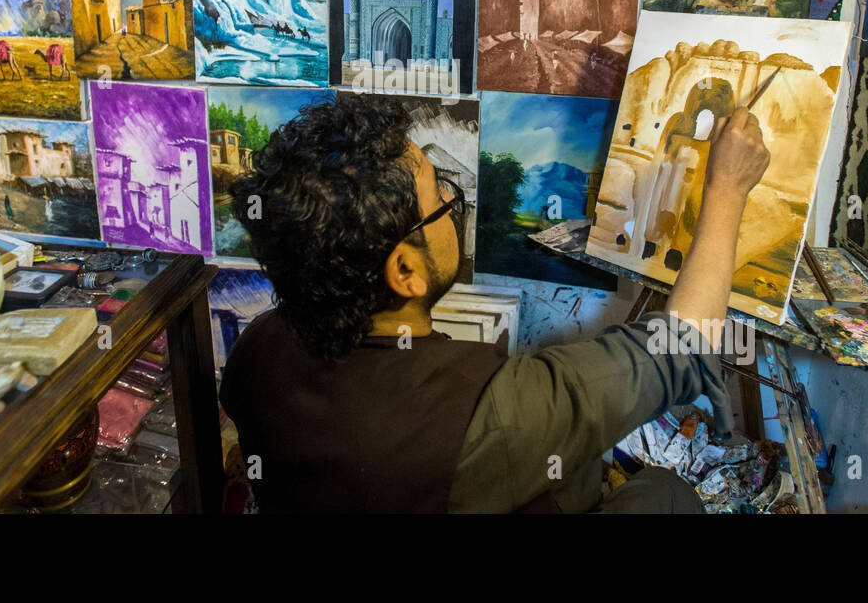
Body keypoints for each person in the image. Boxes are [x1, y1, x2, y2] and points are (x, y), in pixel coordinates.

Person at [220, 92, 770, 512]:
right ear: (405, 270)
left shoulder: (257, 349)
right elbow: (684, 345)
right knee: (667, 495)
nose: (453, 207)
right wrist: (726, 191)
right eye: (442, 200)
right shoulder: (488, 418)